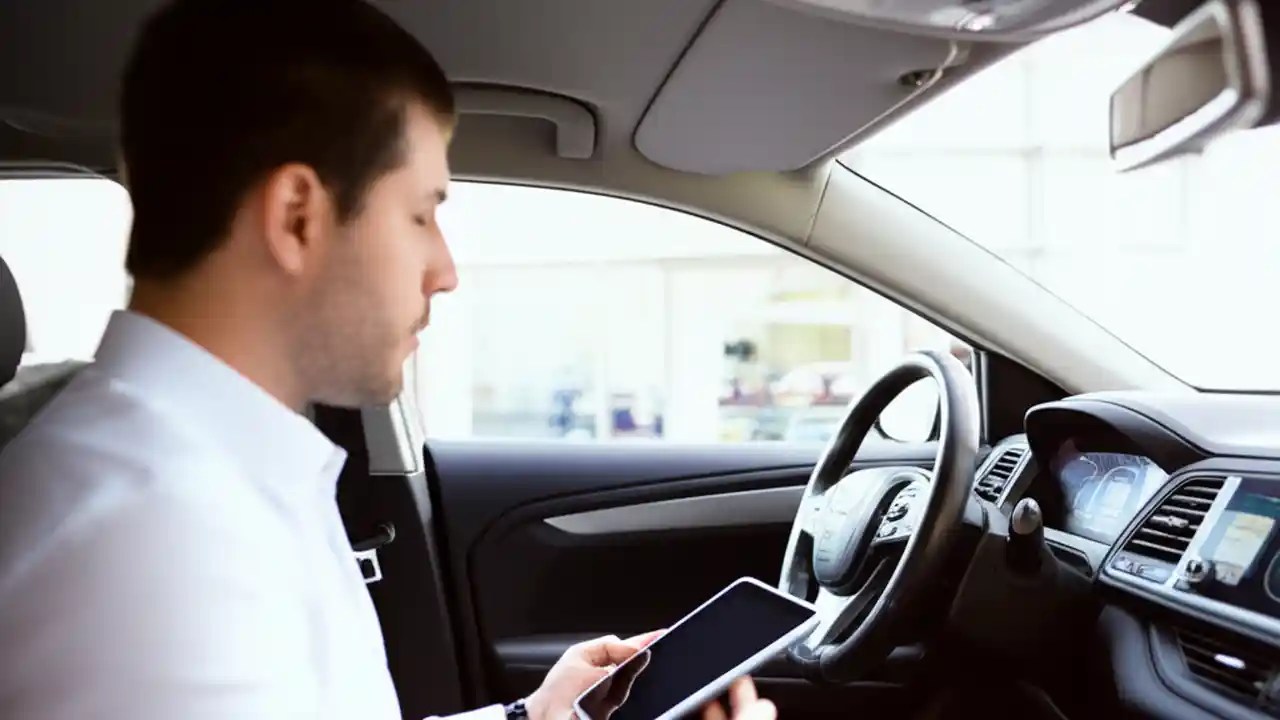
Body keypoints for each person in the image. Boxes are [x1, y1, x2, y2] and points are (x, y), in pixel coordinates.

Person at [0, 1, 777, 719]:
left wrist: (533, 717)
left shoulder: (200, 477)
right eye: (420, 215)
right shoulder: (156, 550)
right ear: (297, 216)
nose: (445, 270)